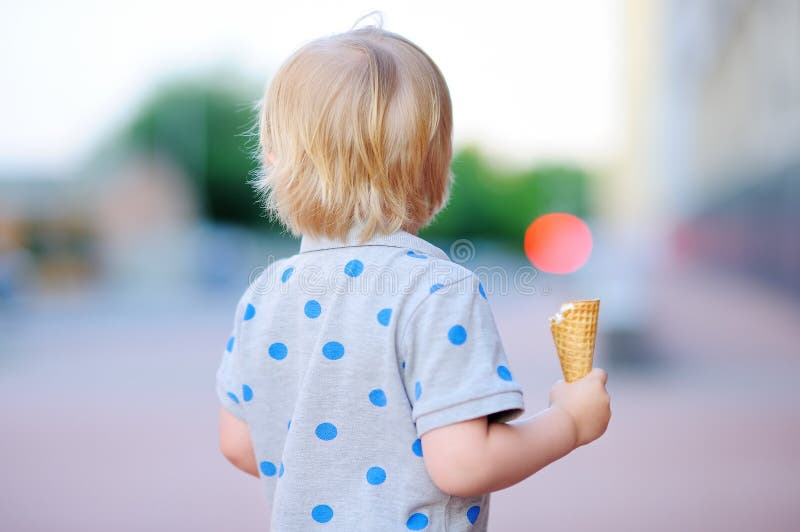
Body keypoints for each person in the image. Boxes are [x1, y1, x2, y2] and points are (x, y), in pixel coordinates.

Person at [216, 17, 611, 532]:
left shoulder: (263, 294)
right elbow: (464, 464)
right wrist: (571, 422)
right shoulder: (436, 290)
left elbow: (239, 444)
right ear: (436, 163)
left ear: (272, 160)